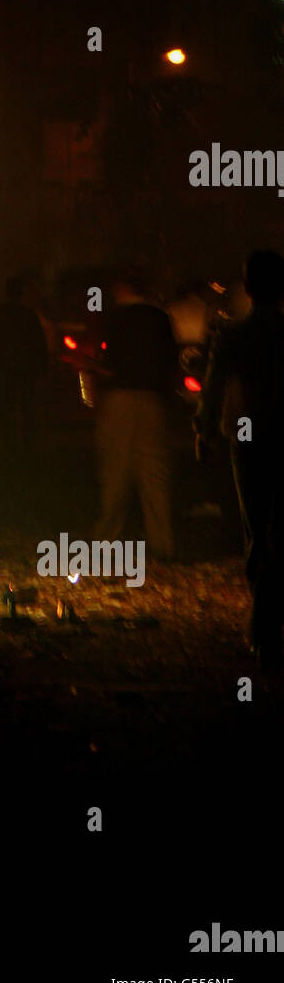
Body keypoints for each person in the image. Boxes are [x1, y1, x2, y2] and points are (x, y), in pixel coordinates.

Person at [194, 250, 284, 672]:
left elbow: (213, 388)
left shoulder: (233, 336)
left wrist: (203, 429)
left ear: (247, 287)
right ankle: (269, 625)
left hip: (247, 436)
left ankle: (263, 627)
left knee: (256, 526)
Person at [95, 269, 178, 560]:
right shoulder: (160, 318)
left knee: (116, 469)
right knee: (154, 472)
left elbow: (107, 360)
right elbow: (171, 359)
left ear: (121, 287)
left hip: (121, 397)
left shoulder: (116, 319)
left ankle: (107, 539)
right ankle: (162, 542)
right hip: (152, 399)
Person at [0, 274, 49, 451]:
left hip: (6, 368)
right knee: (26, 406)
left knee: (6, 407)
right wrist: (42, 365)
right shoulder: (27, 314)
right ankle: (27, 443)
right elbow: (38, 342)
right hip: (24, 367)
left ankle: (8, 443)